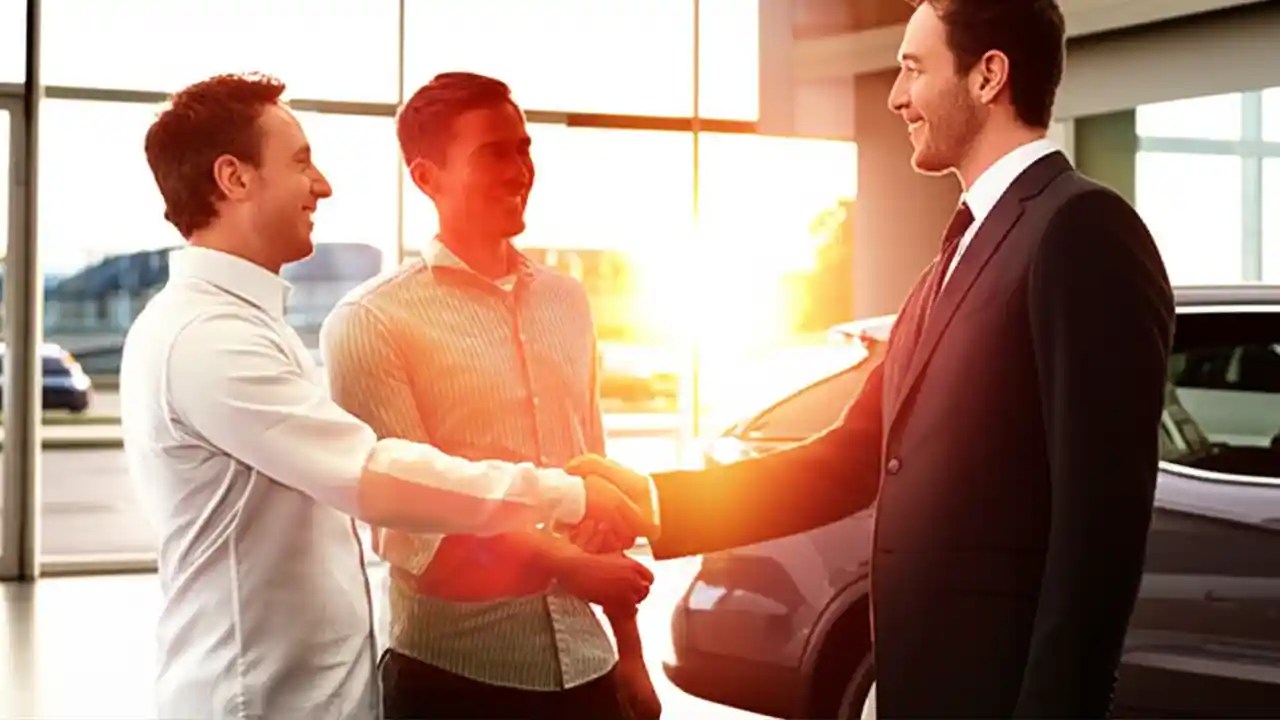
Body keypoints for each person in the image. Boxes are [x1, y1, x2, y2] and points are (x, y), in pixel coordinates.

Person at [569, 0, 1176, 717]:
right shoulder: (951, 264)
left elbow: (1098, 529)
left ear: (989, 76)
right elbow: (848, 461)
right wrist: (654, 500)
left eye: (914, 69)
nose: (896, 97)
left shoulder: (1080, 229)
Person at [120, 72, 650, 720]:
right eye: (301, 162)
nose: (323, 185)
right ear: (234, 178)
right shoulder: (209, 340)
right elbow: (373, 478)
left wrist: (627, 646)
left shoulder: (243, 325)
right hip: (265, 700)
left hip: (314, 694)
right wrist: (565, 494)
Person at [320, 72, 661, 720]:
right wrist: (567, 566)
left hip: (590, 670)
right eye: (492, 153)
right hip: (455, 678)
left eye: (523, 148)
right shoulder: (371, 322)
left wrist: (632, 655)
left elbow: (597, 488)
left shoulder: (568, 302)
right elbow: (417, 522)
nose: (518, 170)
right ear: (427, 177)